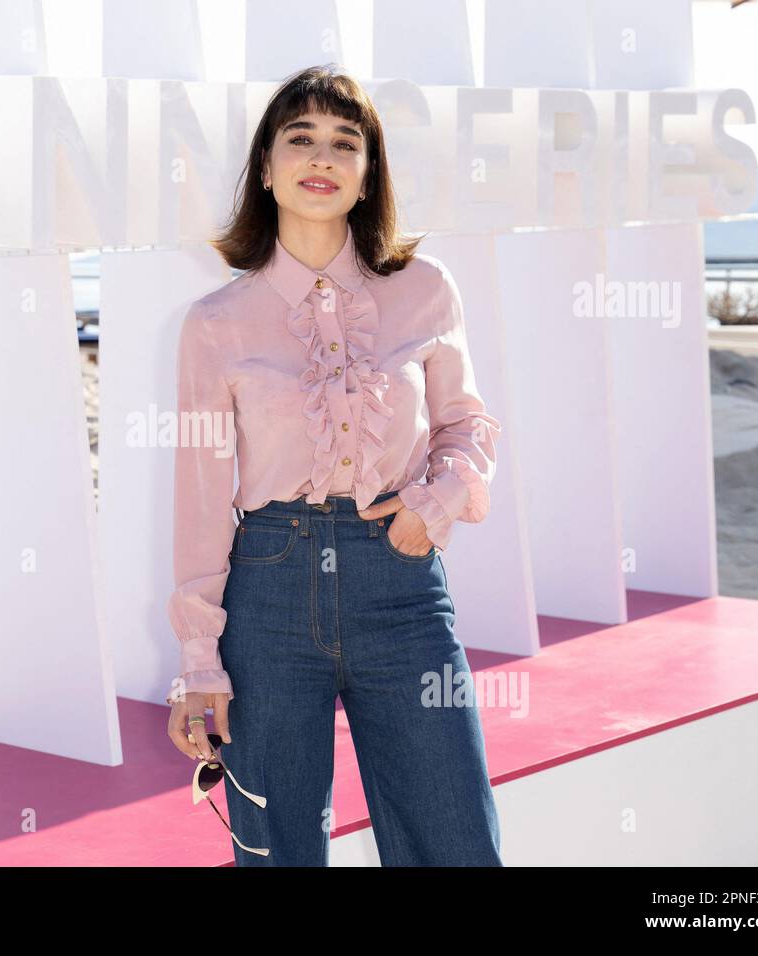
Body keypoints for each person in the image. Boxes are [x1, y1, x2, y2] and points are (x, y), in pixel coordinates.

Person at [163, 64, 505, 866]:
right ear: (266, 167)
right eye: (300, 137)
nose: (322, 156)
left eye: (345, 142)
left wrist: (438, 501)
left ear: (367, 175)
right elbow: (202, 496)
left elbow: (468, 422)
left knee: (453, 839)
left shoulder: (426, 289)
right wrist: (199, 659)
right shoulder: (215, 324)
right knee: (277, 848)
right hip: (268, 594)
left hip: (402, 587)